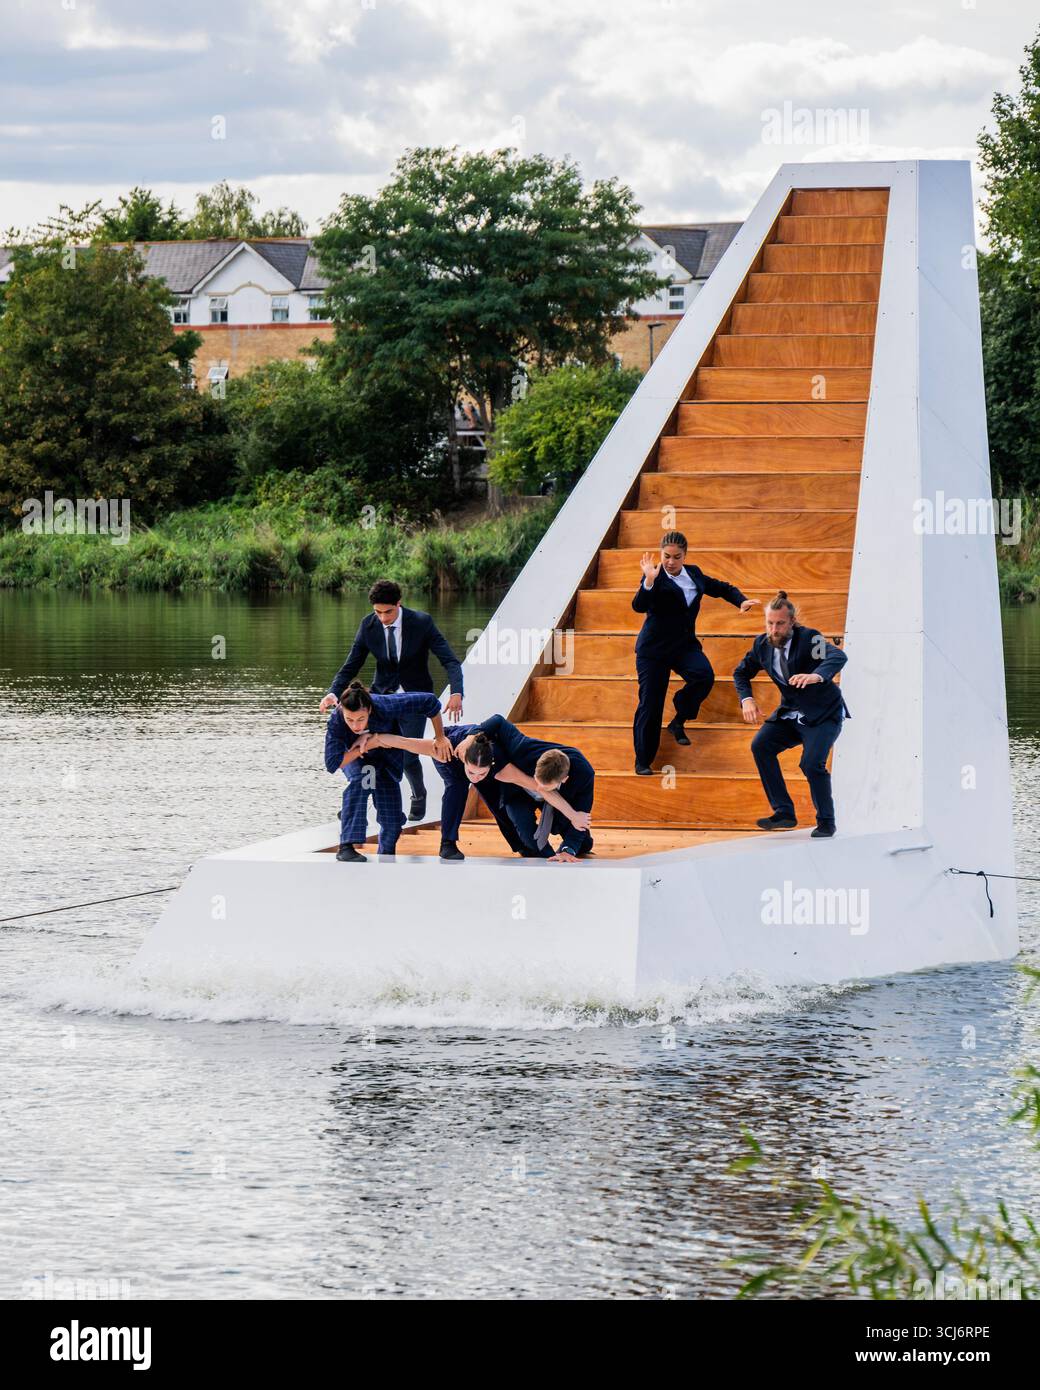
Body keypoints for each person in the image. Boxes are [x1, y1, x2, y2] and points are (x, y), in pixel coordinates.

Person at [319, 579, 464, 823]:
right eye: (378, 612)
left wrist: (457, 692)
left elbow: (449, 660)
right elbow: (351, 664)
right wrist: (334, 692)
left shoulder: (421, 623)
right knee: (367, 750)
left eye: (388, 612)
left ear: (399, 604)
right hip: (380, 700)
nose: (383, 618)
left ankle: (418, 794)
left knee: (407, 754)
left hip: (412, 700)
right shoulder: (368, 626)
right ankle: (358, 804)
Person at [632, 530, 759, 775]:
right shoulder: (655, 577)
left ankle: (678, 719)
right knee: (651, 703)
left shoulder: (695, 574)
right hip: (654, 650)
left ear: (684, 556)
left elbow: (721, 587)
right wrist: (648, 581)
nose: (670, 562)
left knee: (703, 676)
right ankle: (643, 760)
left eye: (676, 557)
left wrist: (740, 600)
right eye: (666, 556)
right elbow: (639, 605)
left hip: (683, 645)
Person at [733, 591, 850, 838]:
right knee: (761, 745)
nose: (774, 630)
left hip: (823, 713)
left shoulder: (809, 638)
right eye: (770, 623)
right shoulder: (761, 645)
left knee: (810, 763)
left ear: (792, 622)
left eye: (780, 624)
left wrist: (815, 675)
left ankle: (826, 822)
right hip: (791, 713)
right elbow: (741, 673)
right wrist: (747, 699)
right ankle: (784, 812)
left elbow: (836, 655)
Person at [324, 681, 451, 862]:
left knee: (391, 822)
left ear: (369, 710)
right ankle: (347, 846)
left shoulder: (384, 705)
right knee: (362, 779)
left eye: (360, 719)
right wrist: (369, 744)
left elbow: (429, 702)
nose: (355, 726)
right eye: (349, 720)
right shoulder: (336, 721)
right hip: (358, 759)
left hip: (386, 759)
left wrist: (440, 737)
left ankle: (386, 856)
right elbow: (333, 763)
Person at [367, 723, 528, 861]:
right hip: (449, 753)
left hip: (479, 753)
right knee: (457, 787)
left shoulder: (493, 757)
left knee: (493, 798)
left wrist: (479, 774)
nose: (476, 778)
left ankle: (519, 845)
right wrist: (377, 739)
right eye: (472, 773)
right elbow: (404, 742)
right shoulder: (445, 750)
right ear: (464, 760)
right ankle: (447, 843)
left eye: (481, 774)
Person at [454, 715, 595, 864]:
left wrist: (568, 850)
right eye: (537, 780)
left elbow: (581, 814)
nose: (538, 788)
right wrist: (470, 738)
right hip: (518, 793)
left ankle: (578, 844)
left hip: (560, 802)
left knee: (581, 844)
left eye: (545, 787)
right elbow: (497, 721)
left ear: (563, 780)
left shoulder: (584, 775)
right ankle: (539, 850)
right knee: (529, 841)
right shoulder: (521, 748)